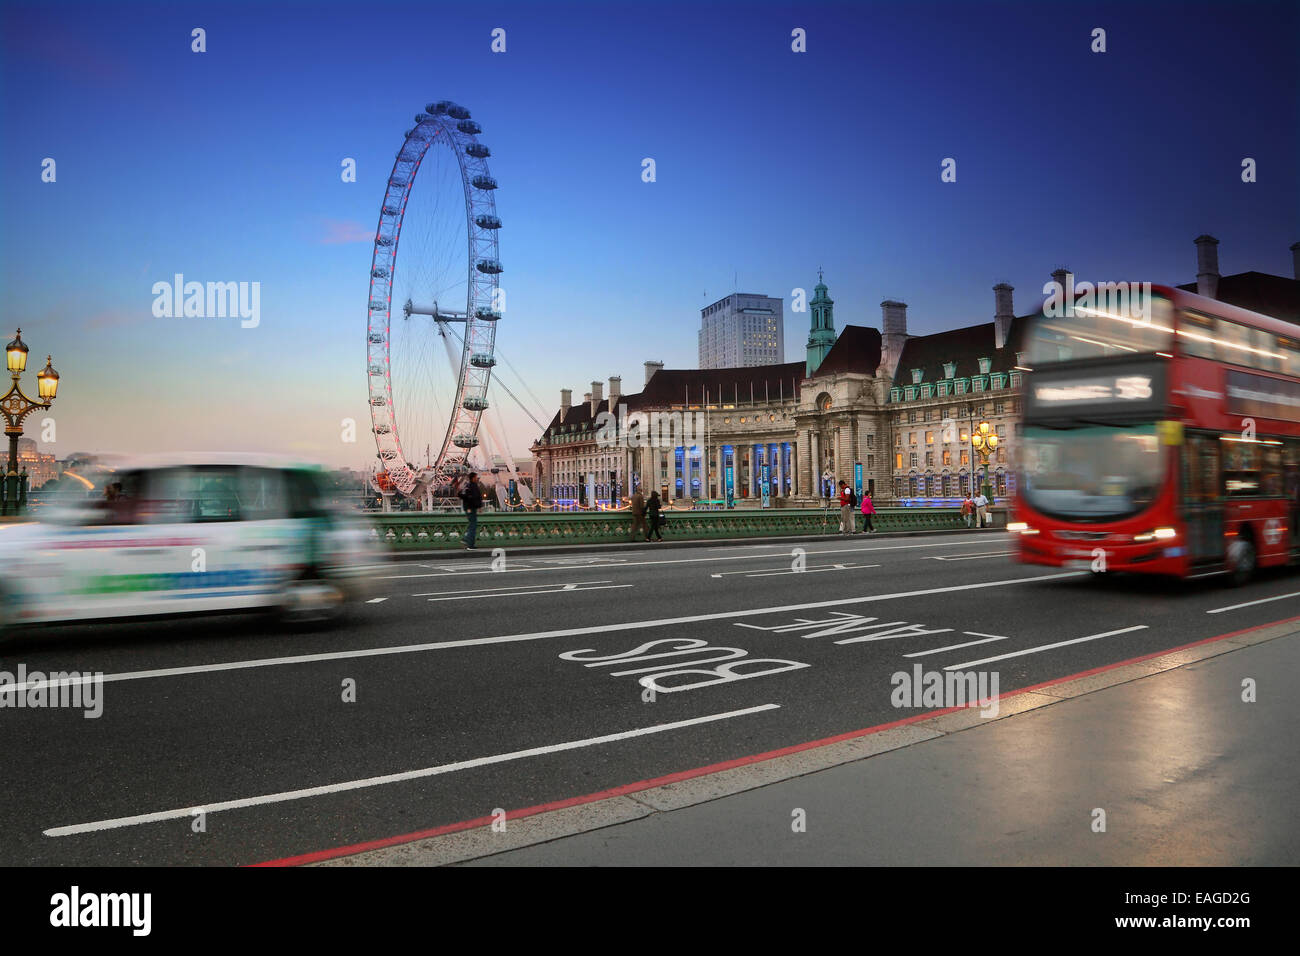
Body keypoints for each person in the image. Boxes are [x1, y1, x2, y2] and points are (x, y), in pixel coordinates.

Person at [456, 472, 484, 549]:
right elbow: (476, 497)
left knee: (472, 525)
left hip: (470, 508)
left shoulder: (468, 486)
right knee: (473, 526)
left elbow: (465, 496)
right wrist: (479, 506)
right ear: (473, 478)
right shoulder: (472, 486)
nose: (477, 478)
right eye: (476, 477)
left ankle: (469, 542)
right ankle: (468, 542)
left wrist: (459, 493)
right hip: (471, 508)